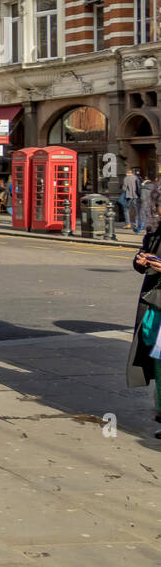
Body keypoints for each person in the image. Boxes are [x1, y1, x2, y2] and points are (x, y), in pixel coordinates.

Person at [127, 177, 161, 439]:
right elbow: (141, 260)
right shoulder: (154, 230)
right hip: (154, 303)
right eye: (158, 203)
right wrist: (140, 261)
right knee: (156, 357)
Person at [122, 167, 143, 233]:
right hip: (136, 196)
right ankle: (136, 224)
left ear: (127, 172)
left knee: (126, 209)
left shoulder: (126, 178)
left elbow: (124, 188)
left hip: (128, 196)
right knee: (137, 210)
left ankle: (128, 224)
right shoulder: (136, 178)